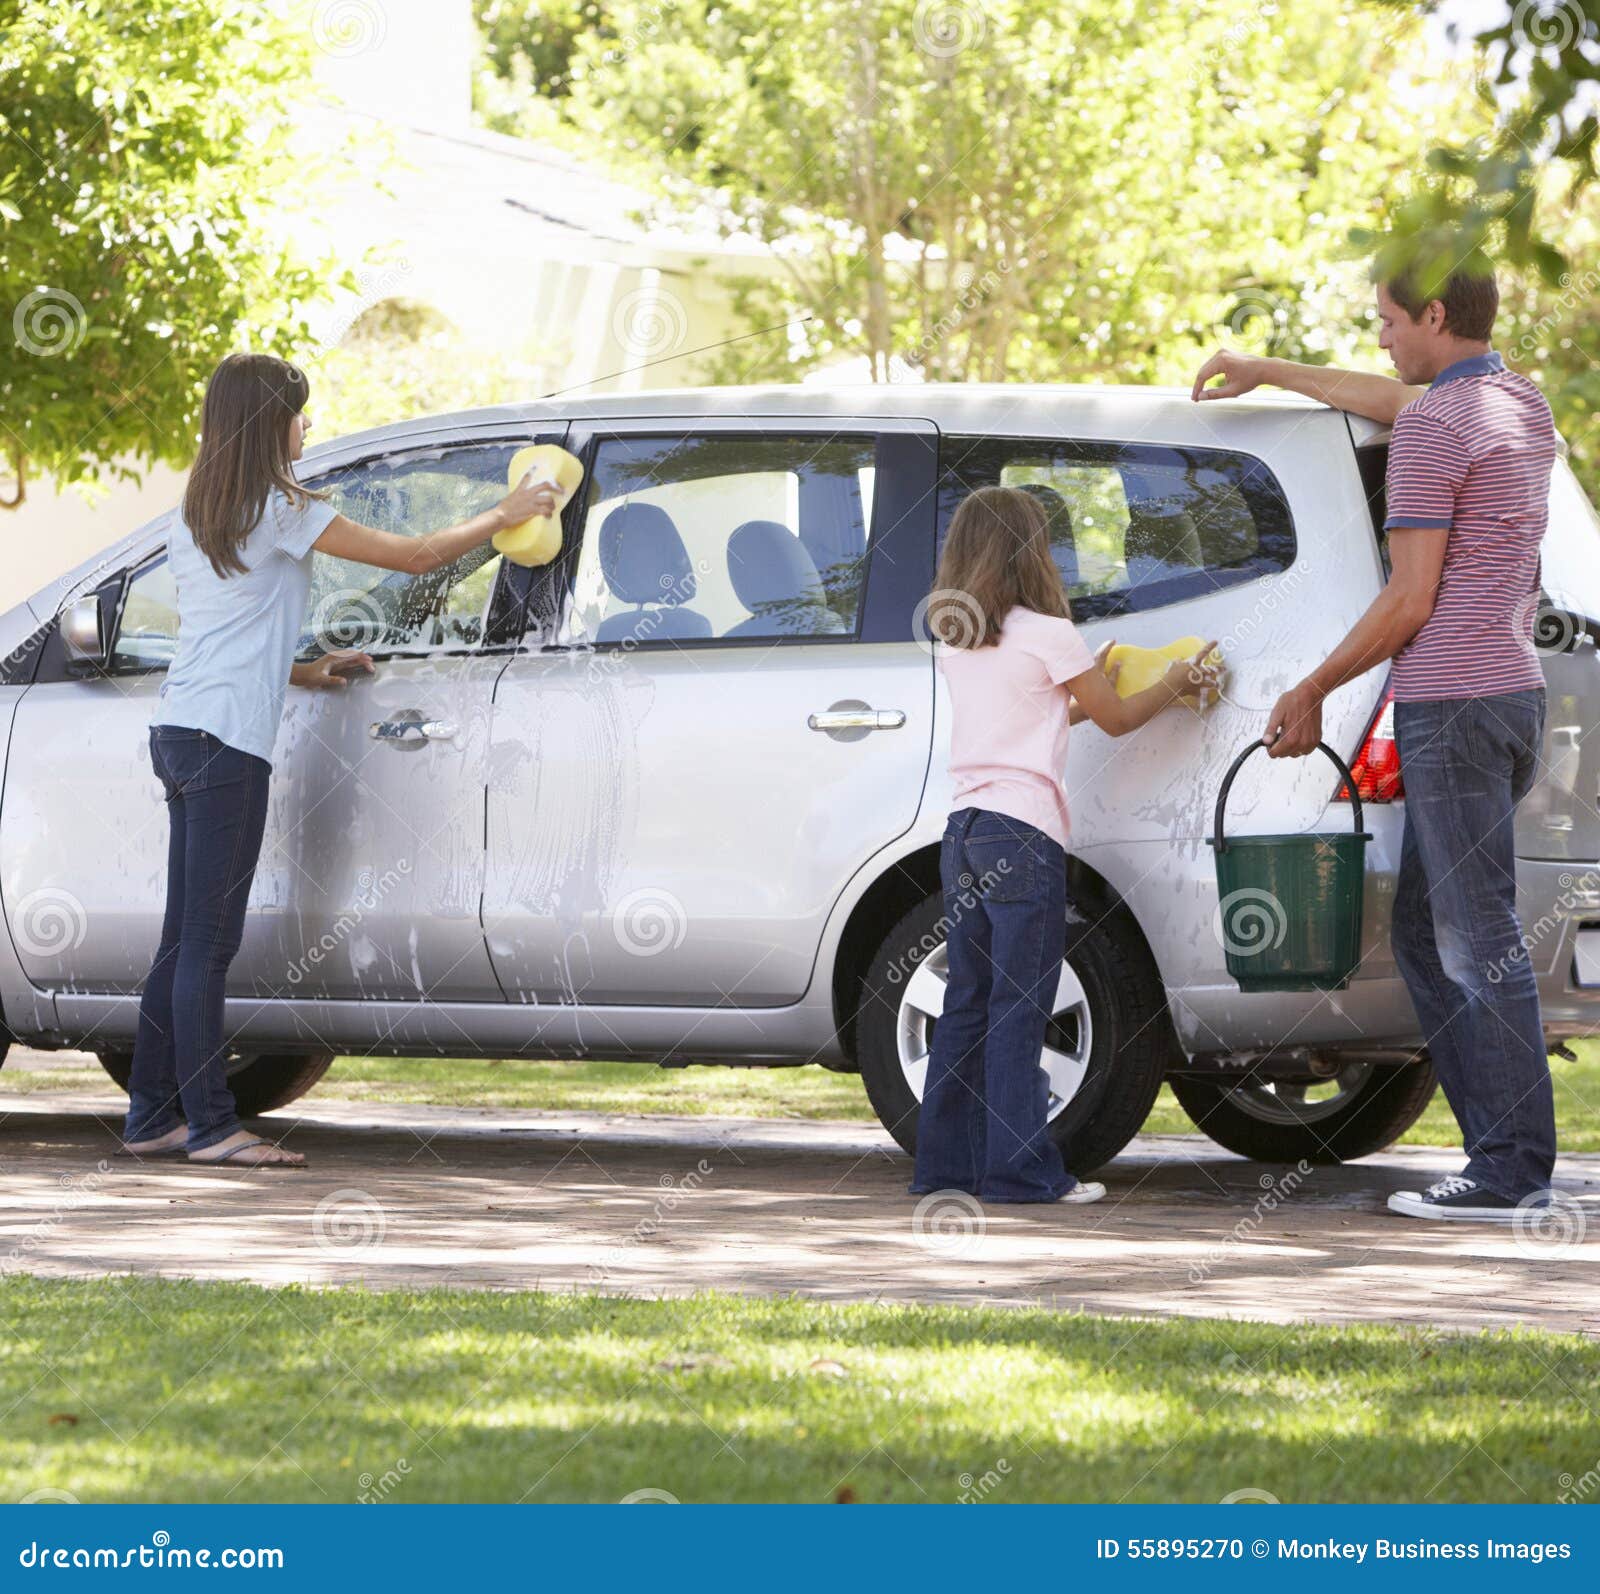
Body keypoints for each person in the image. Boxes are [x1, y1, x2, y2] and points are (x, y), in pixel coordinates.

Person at [1192, 257, 1559, 1222]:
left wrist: (1314, 687)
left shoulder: (1437, 426)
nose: (1381, 338)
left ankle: (1510, 1168)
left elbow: (1409, 598)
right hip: (1515, 698)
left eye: (1391, 321)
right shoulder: (1519, 406)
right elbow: (1397, 399)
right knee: (1431, 934)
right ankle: (1500, 1155)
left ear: (1435, 314)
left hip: (1452, 705)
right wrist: (1271, 371)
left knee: (1478, 944)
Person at [120, 353, 555, 1168]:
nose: (307, 424)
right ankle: (213, 1127)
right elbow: (419, 556)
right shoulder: (281, 506)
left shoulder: (197, 510)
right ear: (268, 423)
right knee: (207, 949)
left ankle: (152, 1117)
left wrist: (305, 671)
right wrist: (506, 512)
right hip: (224, 747)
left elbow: (223, 634)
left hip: (181, 730)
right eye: (298, 412)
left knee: (181, 943)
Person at [912, 485, 1219, 1205]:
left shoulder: (957, 636)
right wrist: (1175, 681)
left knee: (968, 1005)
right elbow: (1114, 720)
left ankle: (945, 1169)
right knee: (1020, 1008)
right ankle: (1021, 1173)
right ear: (1031, 549)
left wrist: (1082, 679)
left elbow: (1041, 718)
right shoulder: (1049, 632)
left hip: (965, 835)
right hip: (1023, 838)